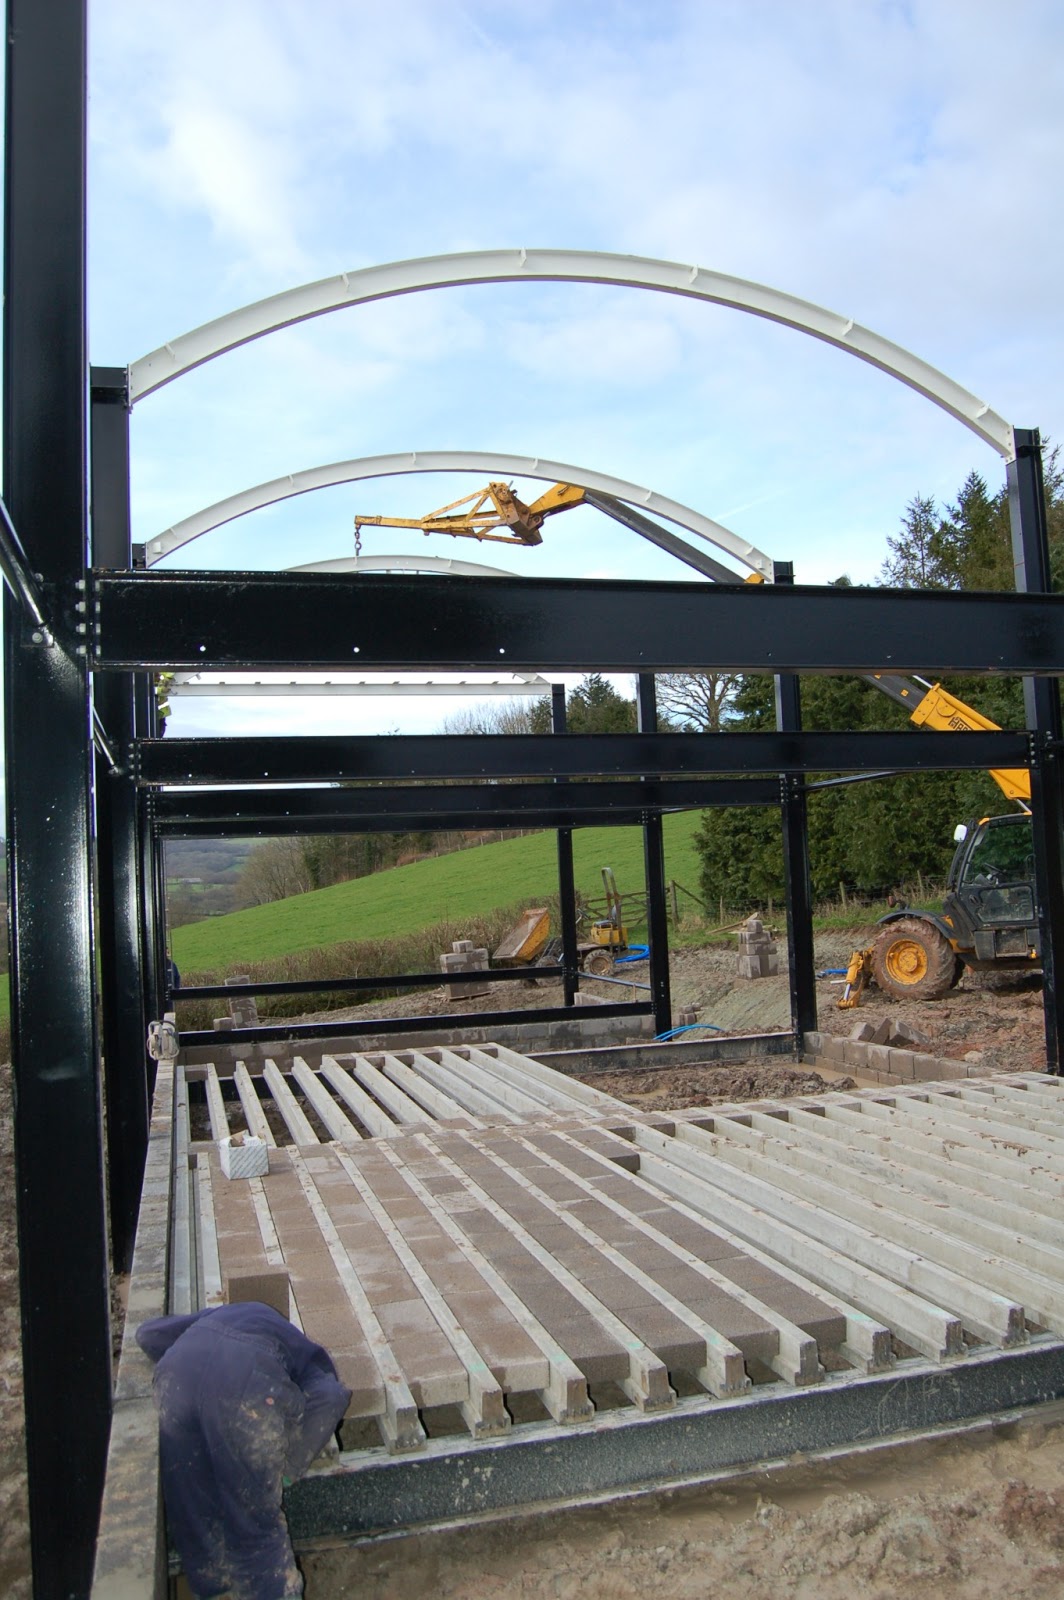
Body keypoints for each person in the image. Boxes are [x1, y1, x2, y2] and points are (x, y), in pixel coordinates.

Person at [136, 1301, 351, 1600]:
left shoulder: (226, 1313)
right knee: (254, 1527)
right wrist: (288, 1468)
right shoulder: (307, 1355)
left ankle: (215, 1591)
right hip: (246, 1389)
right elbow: (331, 1397)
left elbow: (146, 1335)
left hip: (175, 1384)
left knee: (194, 1514)